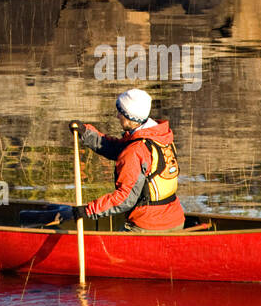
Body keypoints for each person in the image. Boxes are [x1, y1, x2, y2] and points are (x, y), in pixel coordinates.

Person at [68, 88, 185, 232]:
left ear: (131, 118)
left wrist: (88, 210)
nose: (117, 116)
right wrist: (86, 133)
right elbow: (117, 148)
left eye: (121, 113)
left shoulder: (136, 150)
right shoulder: (161, 137)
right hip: (176, 220)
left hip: (149, 226)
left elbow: (125, 199)